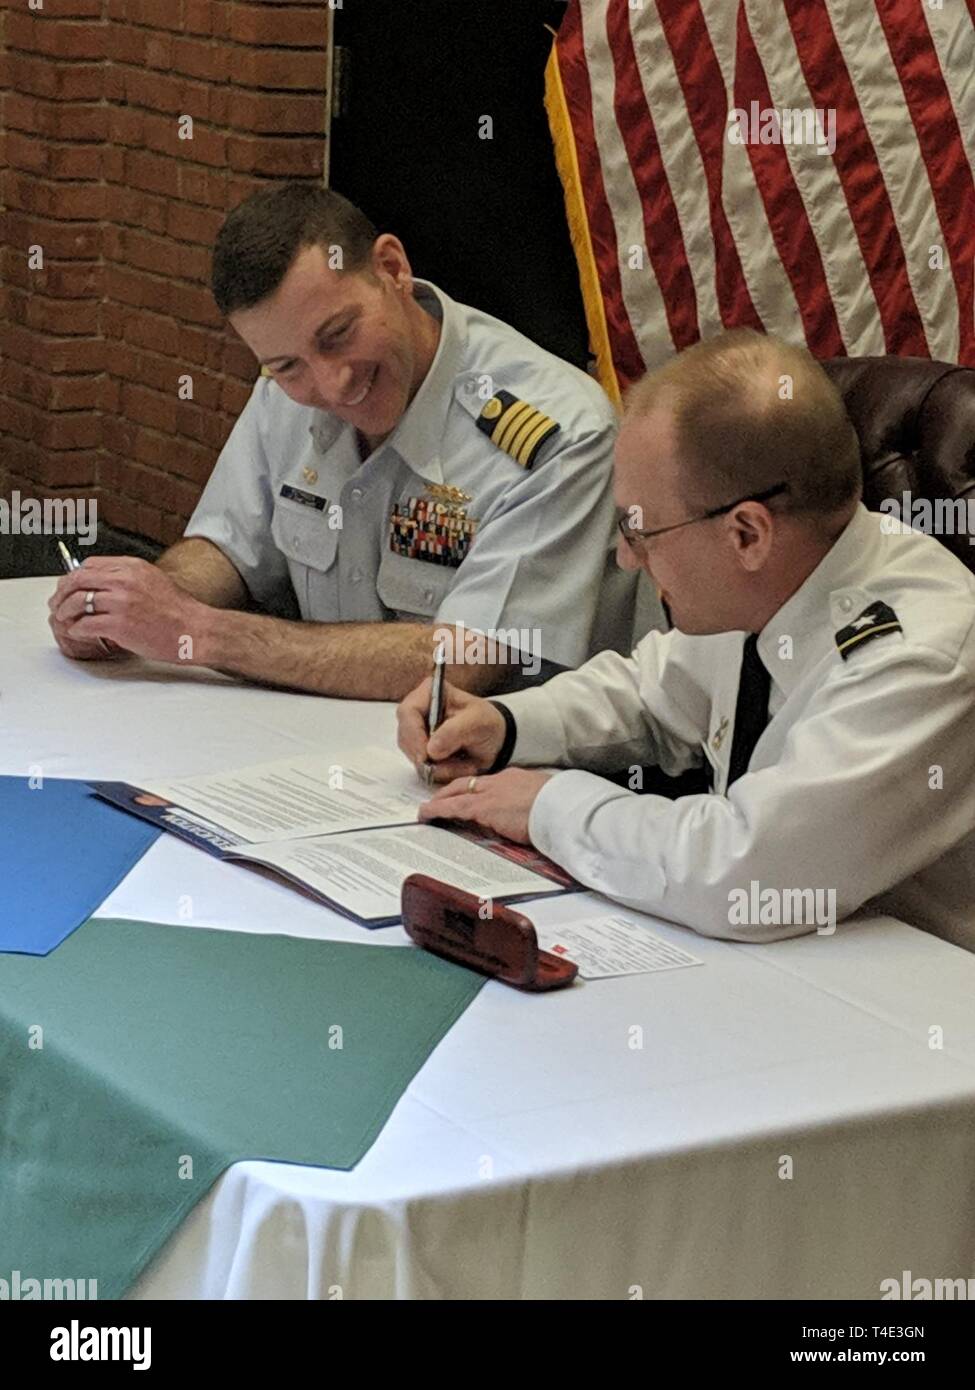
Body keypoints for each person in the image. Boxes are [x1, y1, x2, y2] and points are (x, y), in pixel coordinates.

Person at [397, 329, 975, 952]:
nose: (625, 558)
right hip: (797, 967)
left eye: (640, 531)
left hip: (917, 1010)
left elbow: (742, 873)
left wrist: (547, 806)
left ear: (747, 534)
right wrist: (505, 724)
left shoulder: (920, 655)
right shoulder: (770, 586)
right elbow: (651, 690)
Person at [49, 182, 633, 698]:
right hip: (324, 759)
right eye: (287, 365)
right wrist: (131, 610)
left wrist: (197, 633)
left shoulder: (557, 433)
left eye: (338, 335)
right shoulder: (285, 391)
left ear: (392, 268)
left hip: (512, 784)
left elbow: (465, 662)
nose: (331, 383)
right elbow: (228, 549)